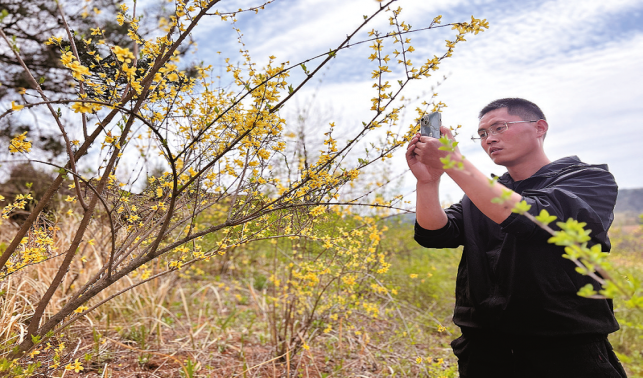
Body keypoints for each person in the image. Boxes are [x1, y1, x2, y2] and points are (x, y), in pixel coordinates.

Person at [406, 98, 627, 378]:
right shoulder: (485, 192)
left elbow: (529, 216)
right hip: (485, 350)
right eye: (483, 134)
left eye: (500, 127)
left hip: (564, 350)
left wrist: (453, 162)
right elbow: (435, 234)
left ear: (539, 128)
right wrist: (428, 181)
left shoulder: (588, 179)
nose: (490, 140)